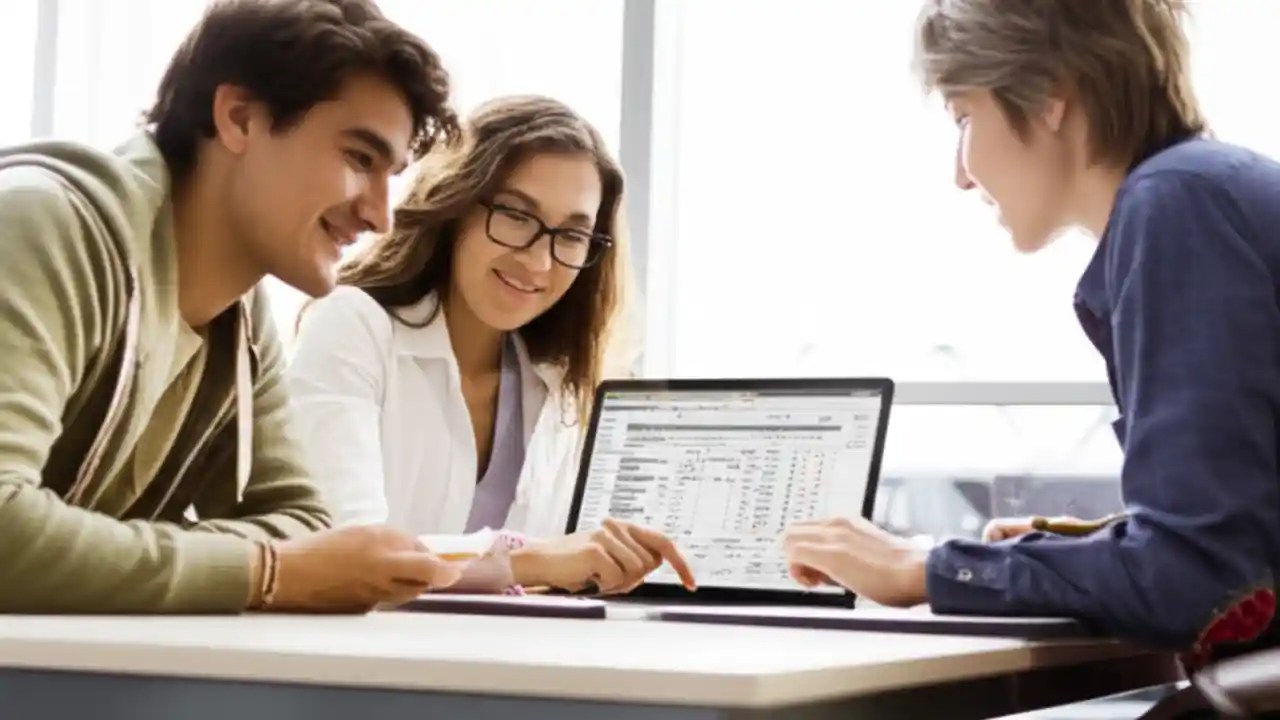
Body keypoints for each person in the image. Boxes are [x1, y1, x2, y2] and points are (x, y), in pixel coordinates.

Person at [783, 0, 1279, 666]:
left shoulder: (1175, 208)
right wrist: (1055, 556)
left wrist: (926, 568)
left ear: (1049, 96)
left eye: (963, 117)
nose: (960, 174)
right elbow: (1239, 545)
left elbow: (1198, 577)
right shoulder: (1206, 190)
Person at [0, 0, 472, 613]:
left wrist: (91, 553)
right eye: (359, 159)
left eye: (392, 175)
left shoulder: (239, 314)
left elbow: (303, 520)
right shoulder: (44, 225)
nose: (380, 215)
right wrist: (267, 571)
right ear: (240, 118)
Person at [287, 95, 696, 596]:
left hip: (503, 664)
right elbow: (346, 552)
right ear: (457, 205)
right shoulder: (354, 327)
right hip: (355, 663)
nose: (539, 261)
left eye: (570, 235)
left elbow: (567, 573)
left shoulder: (562, 387)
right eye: (516, 215)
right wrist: (530, 562)